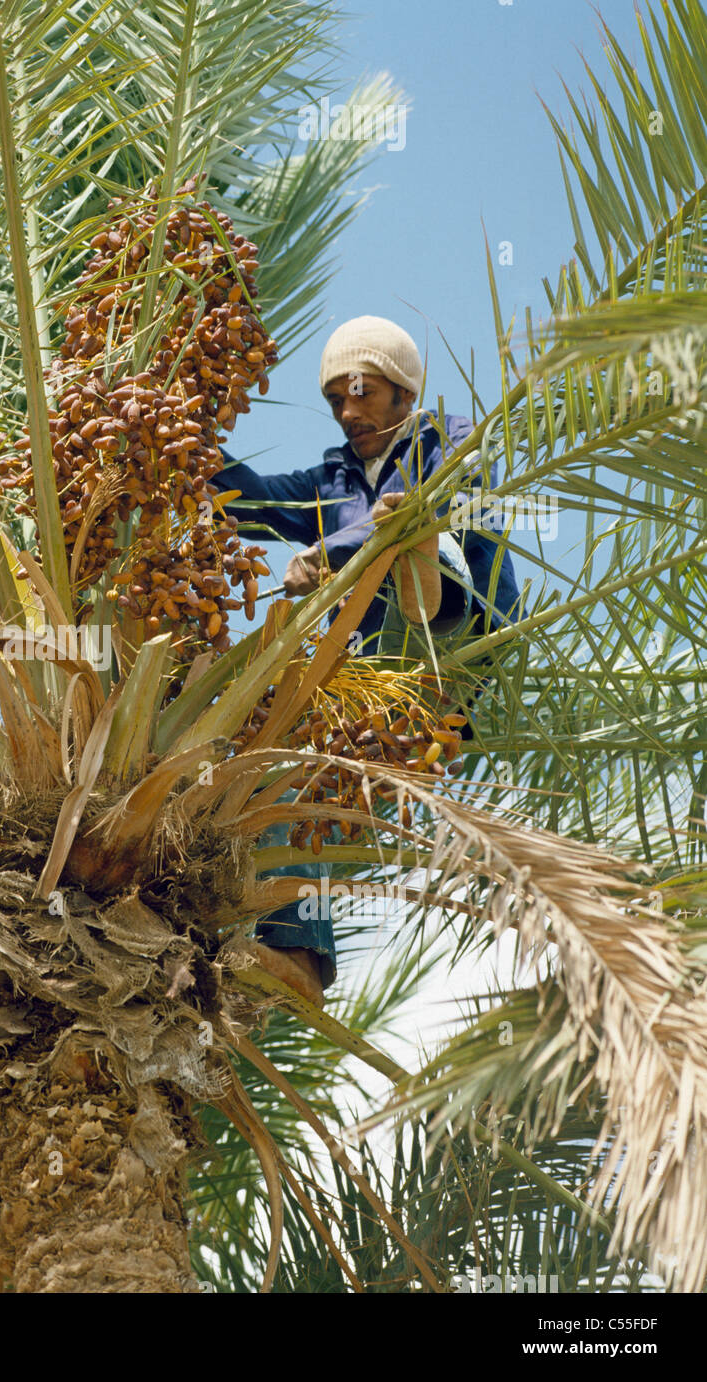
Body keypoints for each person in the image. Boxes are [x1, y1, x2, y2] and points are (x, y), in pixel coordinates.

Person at [215, 315, 522, 1005]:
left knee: (406, 521)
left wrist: (329, 555)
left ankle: (413, 570)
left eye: (363, 392)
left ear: (405, 393)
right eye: (335, 400)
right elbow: (250, 501)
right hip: (372, 682)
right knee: (292, 769)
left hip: (454, 645)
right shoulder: (331, 476)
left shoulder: (455, 439)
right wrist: (182, 421)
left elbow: (443, 505)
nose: (348, 411)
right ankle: (295, 952)